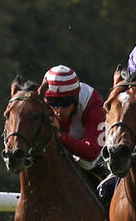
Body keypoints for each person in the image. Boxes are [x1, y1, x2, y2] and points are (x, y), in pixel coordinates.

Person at [41, 65, 115, 207]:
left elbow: (91, 154)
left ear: (75, 99)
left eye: (65, 103)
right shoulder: (43, 103)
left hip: (96, 159)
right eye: (54, 103)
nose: (58, 110)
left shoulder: (92, 103)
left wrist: (60, 136)